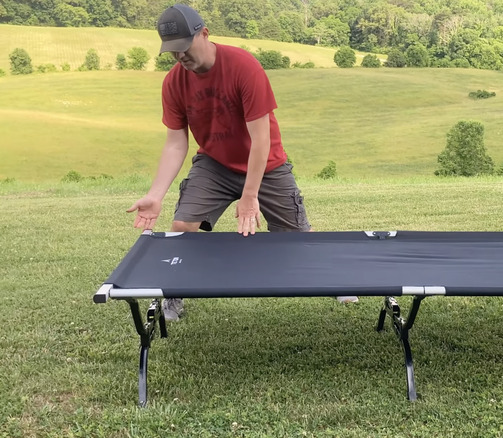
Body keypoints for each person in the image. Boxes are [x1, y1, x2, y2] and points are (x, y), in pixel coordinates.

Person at [127, 4, 357, 321]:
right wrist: (155, 194)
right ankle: (174, 294)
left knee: (298, 236)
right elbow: (176, 142)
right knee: (182, 227)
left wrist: (249, 196)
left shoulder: (243, 67)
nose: (180, 58)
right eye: (173, 52)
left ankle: (334, 278)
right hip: (214, 165)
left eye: (184, 48)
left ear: (204, 34)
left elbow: (261, 140)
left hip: (267, 164)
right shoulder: (174, 83)